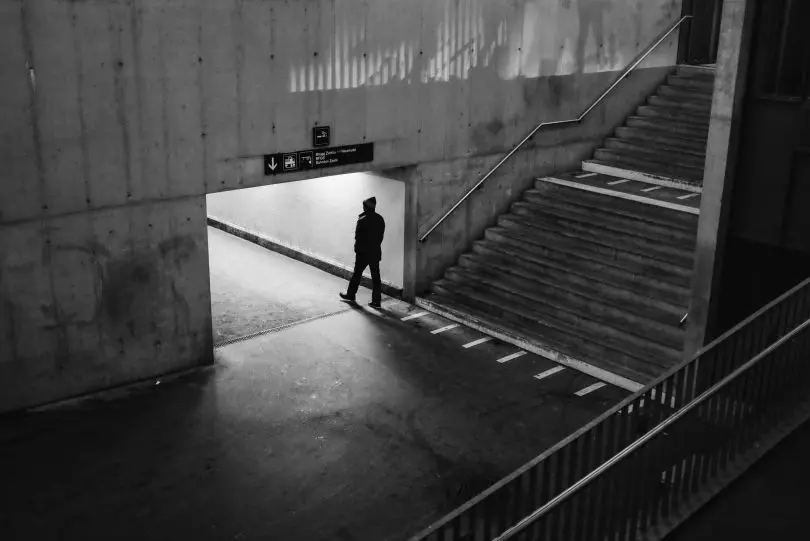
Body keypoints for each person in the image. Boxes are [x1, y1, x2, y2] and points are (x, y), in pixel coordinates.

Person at [340, 197, 385, 308]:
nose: (362, 207)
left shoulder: (362, 219)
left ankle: (351, 295)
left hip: (363, 253)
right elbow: (380, 237)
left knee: (357, 274)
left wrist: (357, 249)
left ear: (366, 207)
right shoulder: (380, 219)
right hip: (375, 252)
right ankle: (376, 302)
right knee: (376, 277)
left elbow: (358, 237)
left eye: (364, 205)